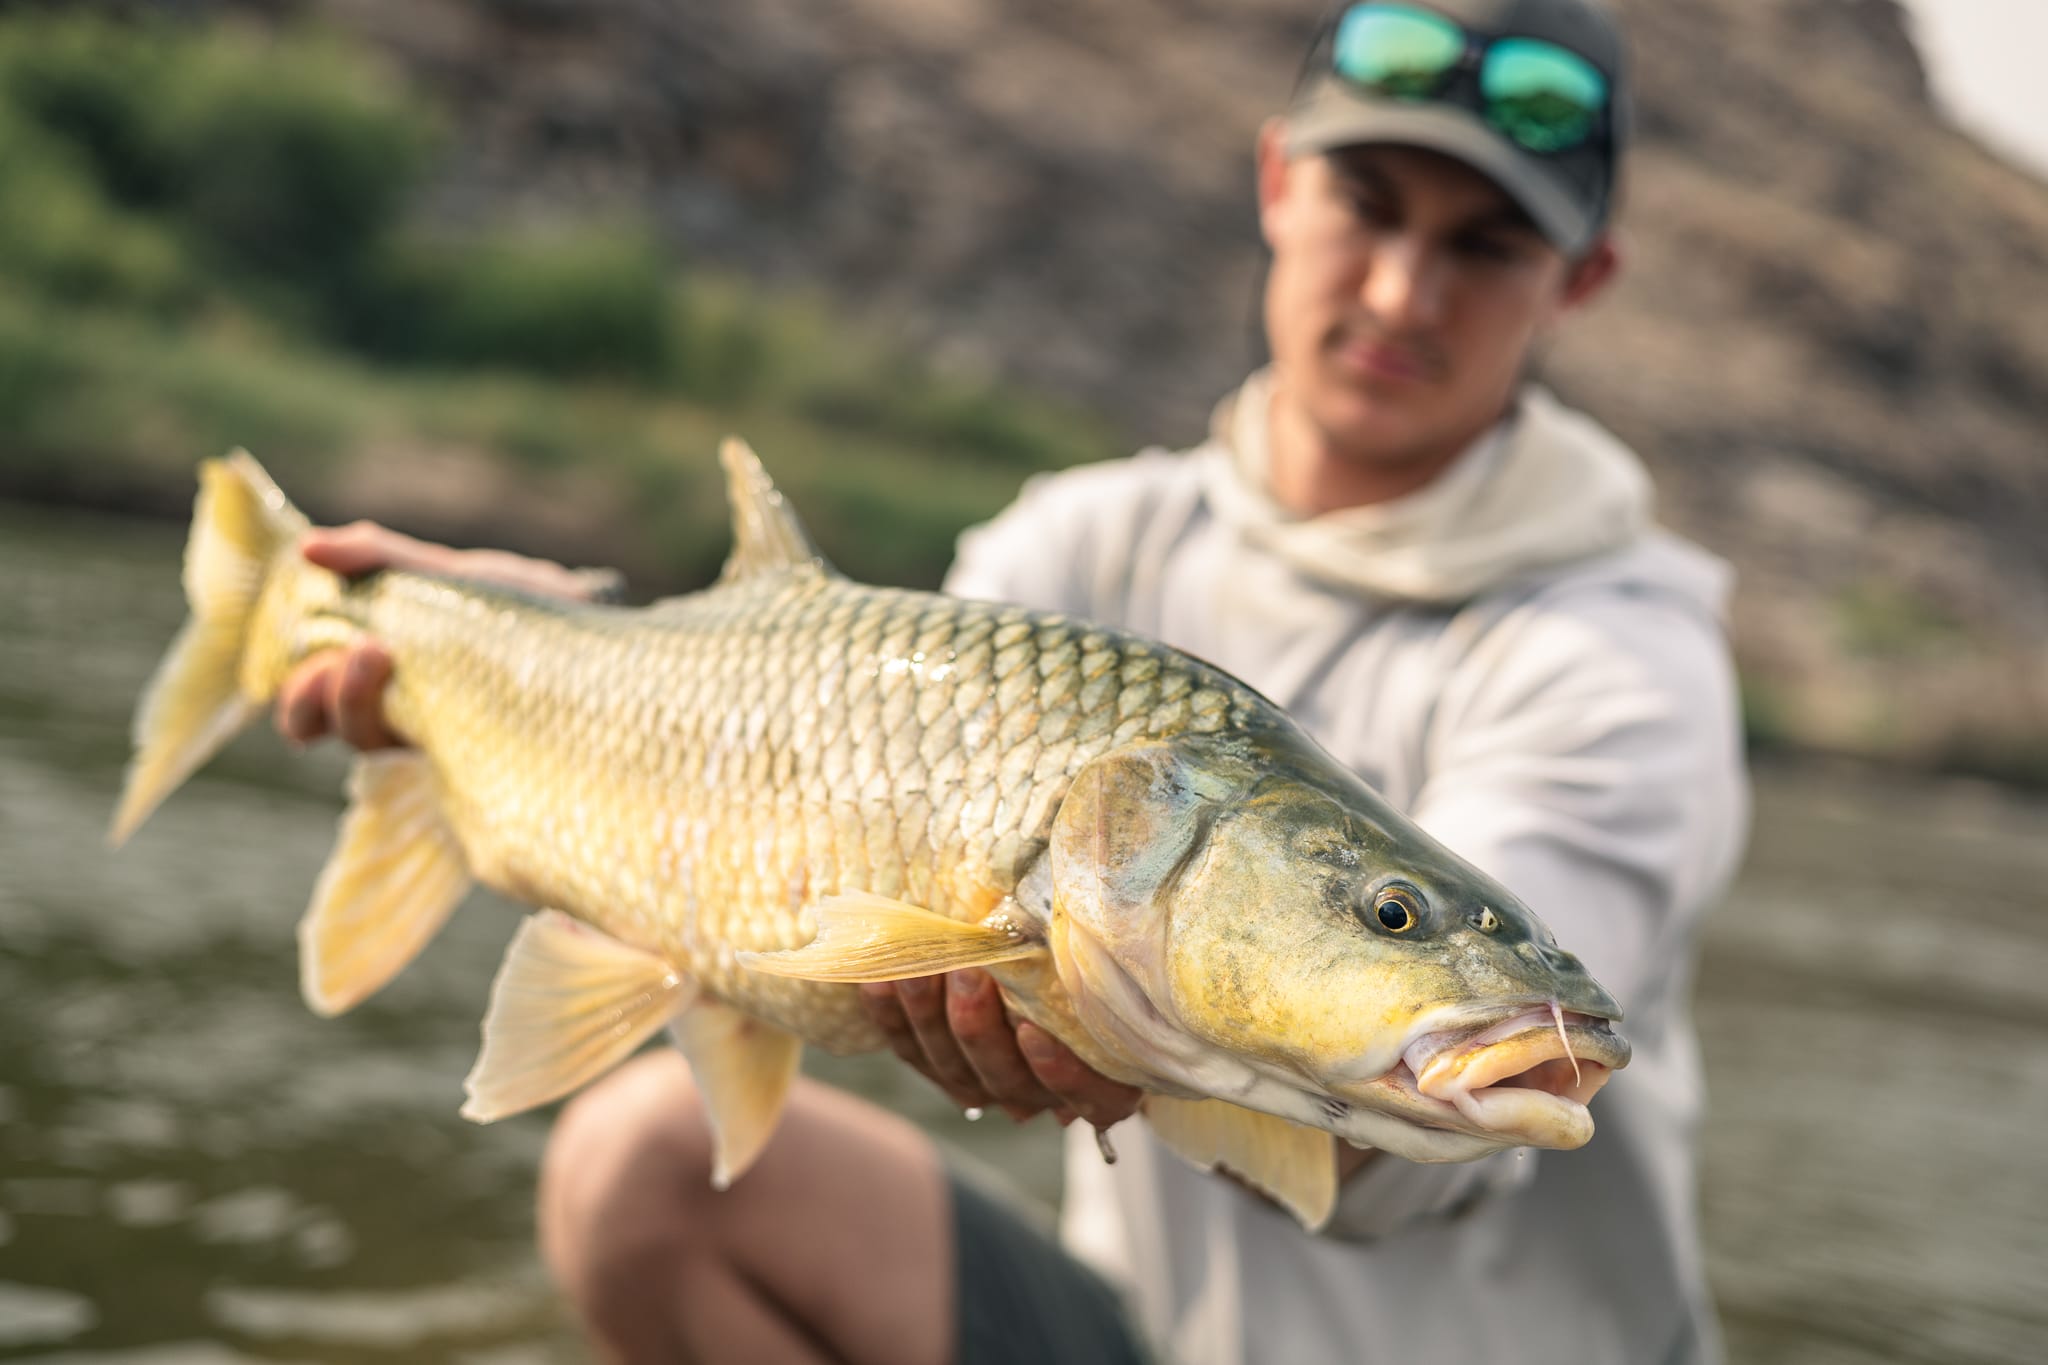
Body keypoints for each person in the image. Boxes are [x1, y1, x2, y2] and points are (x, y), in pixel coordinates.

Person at [277, 1, 1748, 1360]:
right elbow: (812, 713)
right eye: (1367, 206)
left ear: (1585, 279)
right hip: (1148, 1335)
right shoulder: (1085, 538)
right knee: (643, 1166)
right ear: (1277, 184)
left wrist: (1273, 1035)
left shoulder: (1628, 661)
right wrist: (545, 632)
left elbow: (1437, 1164)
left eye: (1485, 245)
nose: (1401, 289)